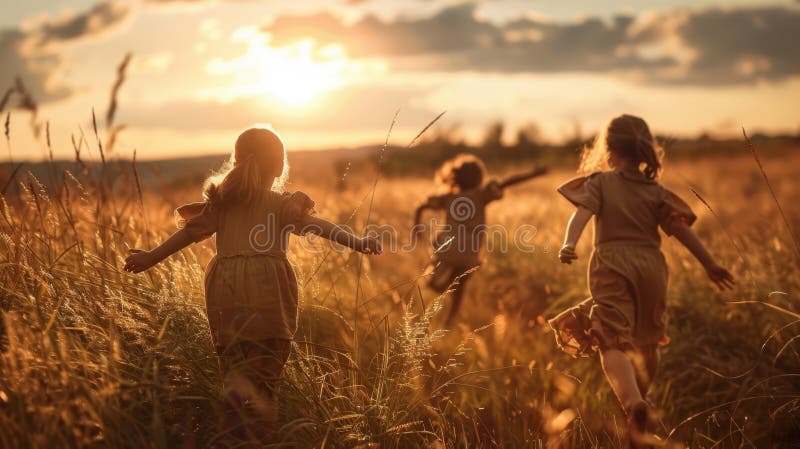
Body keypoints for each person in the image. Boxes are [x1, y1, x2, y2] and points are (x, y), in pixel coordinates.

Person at [123, 127, 382, 446]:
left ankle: (230, 436)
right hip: (269, 291)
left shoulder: (222, 203)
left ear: (237, 161)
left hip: (226, 291)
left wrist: (151, 256)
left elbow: (188, 234)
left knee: (233, 372)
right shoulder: (283, 204)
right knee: (266, 378)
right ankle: (261, 438)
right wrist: (358, 242)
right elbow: (322, 227)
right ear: (278, 167)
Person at [548, 114, 734, 447]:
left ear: (608, 148)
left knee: (609, 337)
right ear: (645, 149)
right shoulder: (657, 191)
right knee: (648, 339)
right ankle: (641, 406)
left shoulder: (601, 183)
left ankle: (633, 404)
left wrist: (569, 243)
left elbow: (581, 215)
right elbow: (681, 230)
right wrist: (710, 263)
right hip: (652, 267)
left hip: (612, 263)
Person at [414, 154, 546, 325]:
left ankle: (437, 287)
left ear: (456, 178)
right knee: (459, 287)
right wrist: (533, 174)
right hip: (470, 254)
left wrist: (417, 228)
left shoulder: (447, 197)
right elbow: (507, 182)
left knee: (435, 281)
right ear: (479, 179)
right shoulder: (481, 195)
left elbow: (421, 206)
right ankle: (449, 322)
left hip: (447, 251)